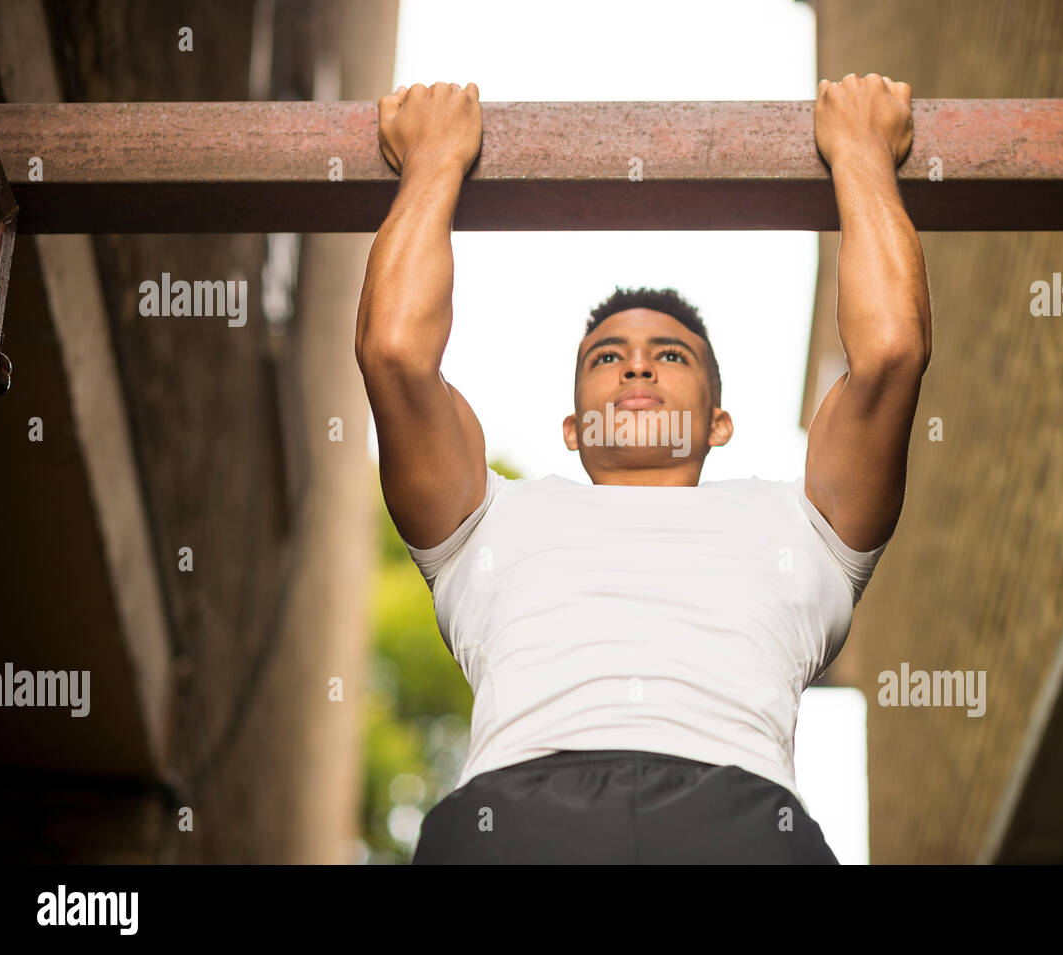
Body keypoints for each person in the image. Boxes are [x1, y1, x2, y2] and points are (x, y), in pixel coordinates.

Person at [355, 74, 931, 864]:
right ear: (570, 426)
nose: (635, 369)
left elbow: (892, 352)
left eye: (669, 354)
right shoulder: (483, 518)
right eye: (607, 357)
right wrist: (434, 162)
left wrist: (862, 153)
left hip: (742, 822)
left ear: (718, 422)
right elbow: (394, 353)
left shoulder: (808, 523)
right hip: (514, 822)